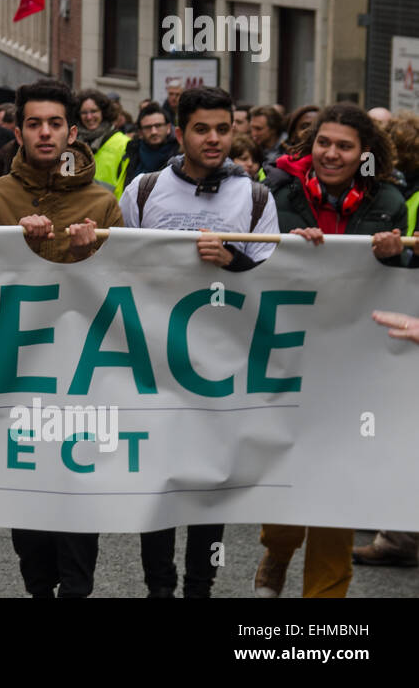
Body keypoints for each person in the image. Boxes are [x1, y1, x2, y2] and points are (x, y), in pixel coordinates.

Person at [119, 86, 278, 598]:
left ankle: (199, 590)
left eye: (223, 129)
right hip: (154, 367)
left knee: (208, 490)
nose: (214, 140)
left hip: (220, 371)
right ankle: (159, 590)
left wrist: (236, 261)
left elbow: (275, 288)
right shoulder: (143, 191)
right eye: (202, 129)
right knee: (157, 488)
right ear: (178, 131)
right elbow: (117, 274)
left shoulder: (255, 196)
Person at [0, 80, 123, 598]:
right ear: (18, 130)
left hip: (86, 384)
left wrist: (88, 255)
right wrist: (18, 252)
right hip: (18, 380)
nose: (45, 132)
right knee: (30, 516)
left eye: (55, 123)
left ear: (72, 131)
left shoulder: (103, 204)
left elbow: (121, 298)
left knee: (80, 501)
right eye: (34, 123)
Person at [255, 102, 409, 599]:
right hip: (285, 360)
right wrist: (284, 247)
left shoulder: (388, 199)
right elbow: (251, 263)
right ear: (310, 143)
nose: (332, 153)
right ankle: (277, 551)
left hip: (351, 367)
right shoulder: (276, 189)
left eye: (345, 146)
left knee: (336, 495)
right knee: (281, 487)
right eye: (324, 142)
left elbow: (400, 283)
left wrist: (395, 255)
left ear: (364, 152)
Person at [75, 88, 131, 197]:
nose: (89, 117)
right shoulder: (72, 142)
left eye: (94, 111)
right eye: (84, 112)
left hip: (110, 210)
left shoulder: (124, 143)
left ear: (103, 113)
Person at [115, 101, 178, 190]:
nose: (154, 132)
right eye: (148, 127)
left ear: (168, 128)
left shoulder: (180, 157)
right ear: (140, 132)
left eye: (158, 125)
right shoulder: (131, 154)